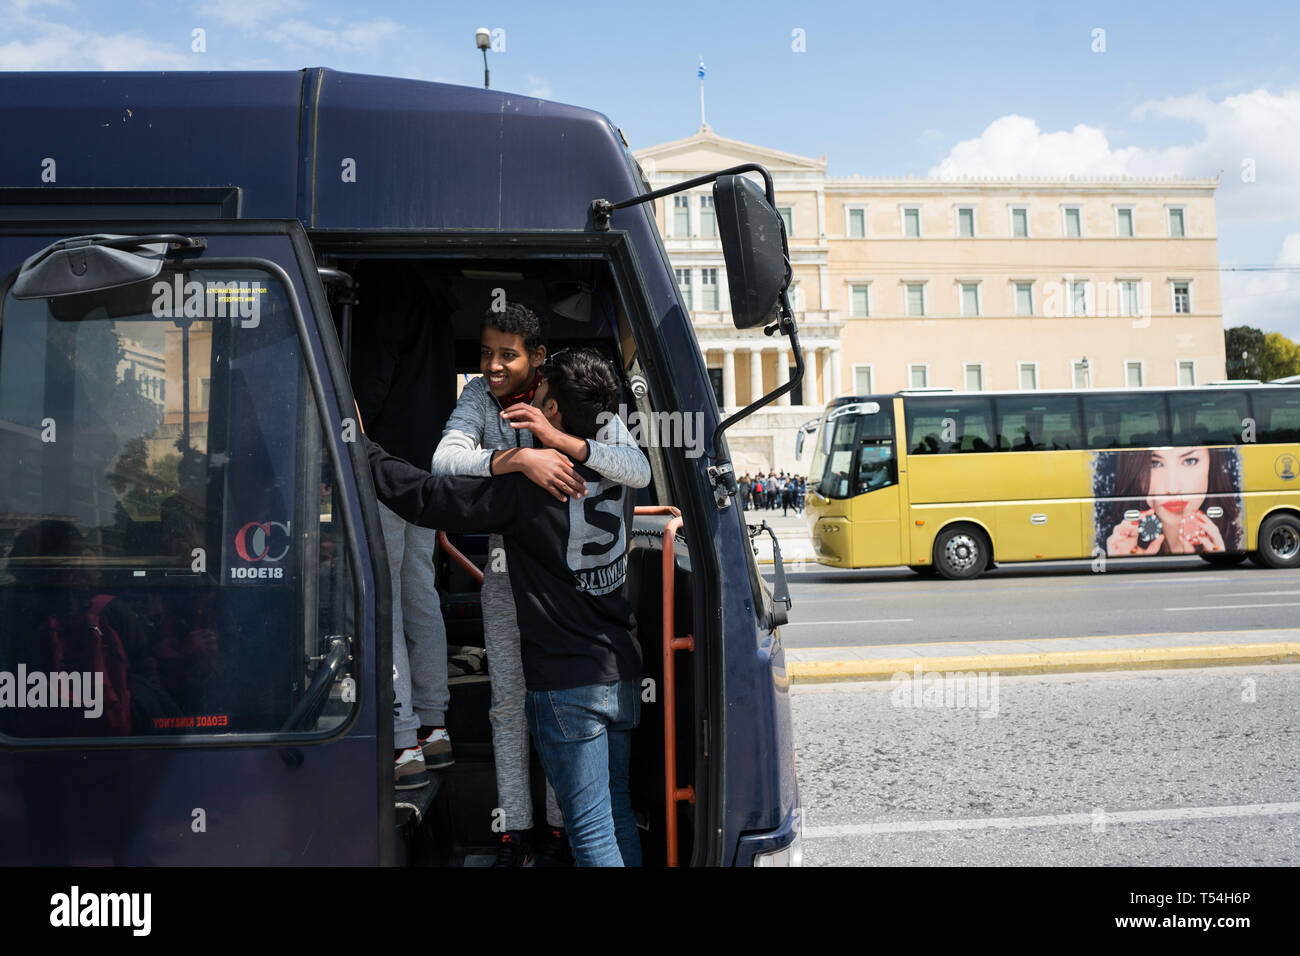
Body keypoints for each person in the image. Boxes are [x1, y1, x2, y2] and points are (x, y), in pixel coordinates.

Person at [364, 348, 644, 866]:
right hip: (621, 671)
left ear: (553, 410)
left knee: (591, 832)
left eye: (539, 394)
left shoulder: (527, 490)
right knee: (618, 811)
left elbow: (425, 497)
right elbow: (637, 464)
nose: (529, 399)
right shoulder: (619, 473)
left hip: (566, 685)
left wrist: (361, 449)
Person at [432, 302, 650, 866]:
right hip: (510, 573)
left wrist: (557, 439)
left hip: (569, 584)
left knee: (558, 700)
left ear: (539, 361)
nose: (494, 366)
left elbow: (637, 468)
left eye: (508, 355)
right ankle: (515, 830)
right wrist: (517, 461)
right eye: (486, 353)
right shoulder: (479, 398)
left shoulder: (579, 394)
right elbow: (444, 463)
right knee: (509, 702)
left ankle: (559, 831)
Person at [350, 264, 455, 791]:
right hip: (424, 468)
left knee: (384, 595)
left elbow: (369, 382)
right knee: (420, 591)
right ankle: (434, 726)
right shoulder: (437, 296)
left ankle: (402, 737)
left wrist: (350, 446)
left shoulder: (384, 288)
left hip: (384, 465)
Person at [1098, 446, 1243, 556]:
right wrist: (1125, 561)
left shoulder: (1237, 534)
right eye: (1154, 463)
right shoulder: (1114, 540)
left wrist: (1218, 560)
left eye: (1190, 461)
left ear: (1212, 465)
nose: (1173, 488)